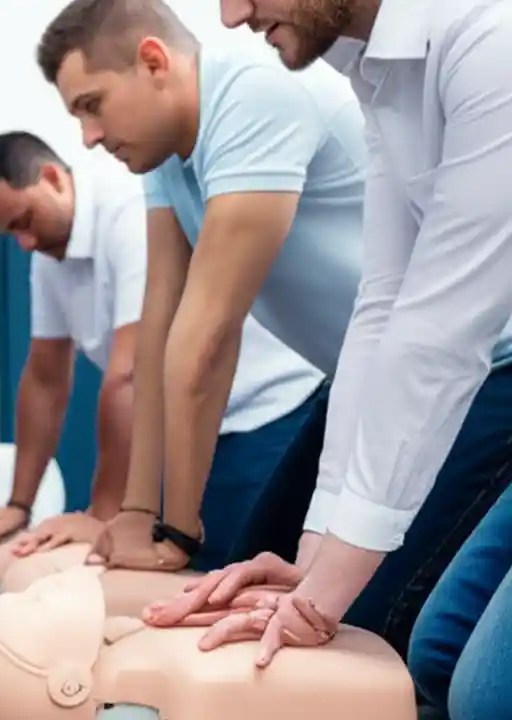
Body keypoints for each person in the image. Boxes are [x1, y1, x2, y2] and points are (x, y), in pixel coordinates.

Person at [185, 0, 512, 701]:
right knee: (441, 645)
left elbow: (441, 332)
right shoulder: (377, 69)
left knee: (484, 696)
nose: (230, 14)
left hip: (484, 362)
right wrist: (314, 556)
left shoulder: (491, 38)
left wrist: (324, 597)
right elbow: (383, 307)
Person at [0, 131, 324, 571]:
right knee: (170, 570)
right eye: (8, 233)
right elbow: (44, 379)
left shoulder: (129, 211)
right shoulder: (48, 253)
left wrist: (105, 515)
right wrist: (20, 504)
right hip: (184, 427)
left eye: (23, 221)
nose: (24, 243)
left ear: (54, 178)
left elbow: (132, 376)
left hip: (265, 413)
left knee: (228, 574)